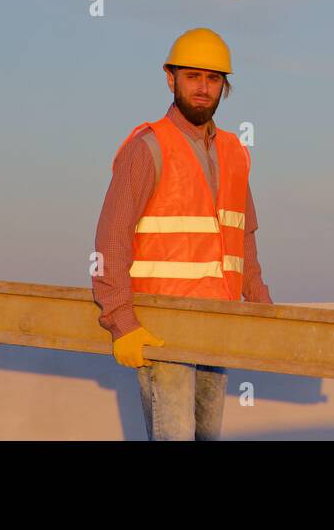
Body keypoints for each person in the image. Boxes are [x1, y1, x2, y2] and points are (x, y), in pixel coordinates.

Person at [92, 28, 273, 441]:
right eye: (193, 76)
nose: (203, 88)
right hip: (161, 325)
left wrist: (261, 308)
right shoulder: (148, 147)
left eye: (213, 79)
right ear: (170, 78)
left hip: (217, 324)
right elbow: (111, 239)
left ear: (224, 87)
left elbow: (243, 238)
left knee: (207, 437)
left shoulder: (234, 153)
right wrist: (122, 321)